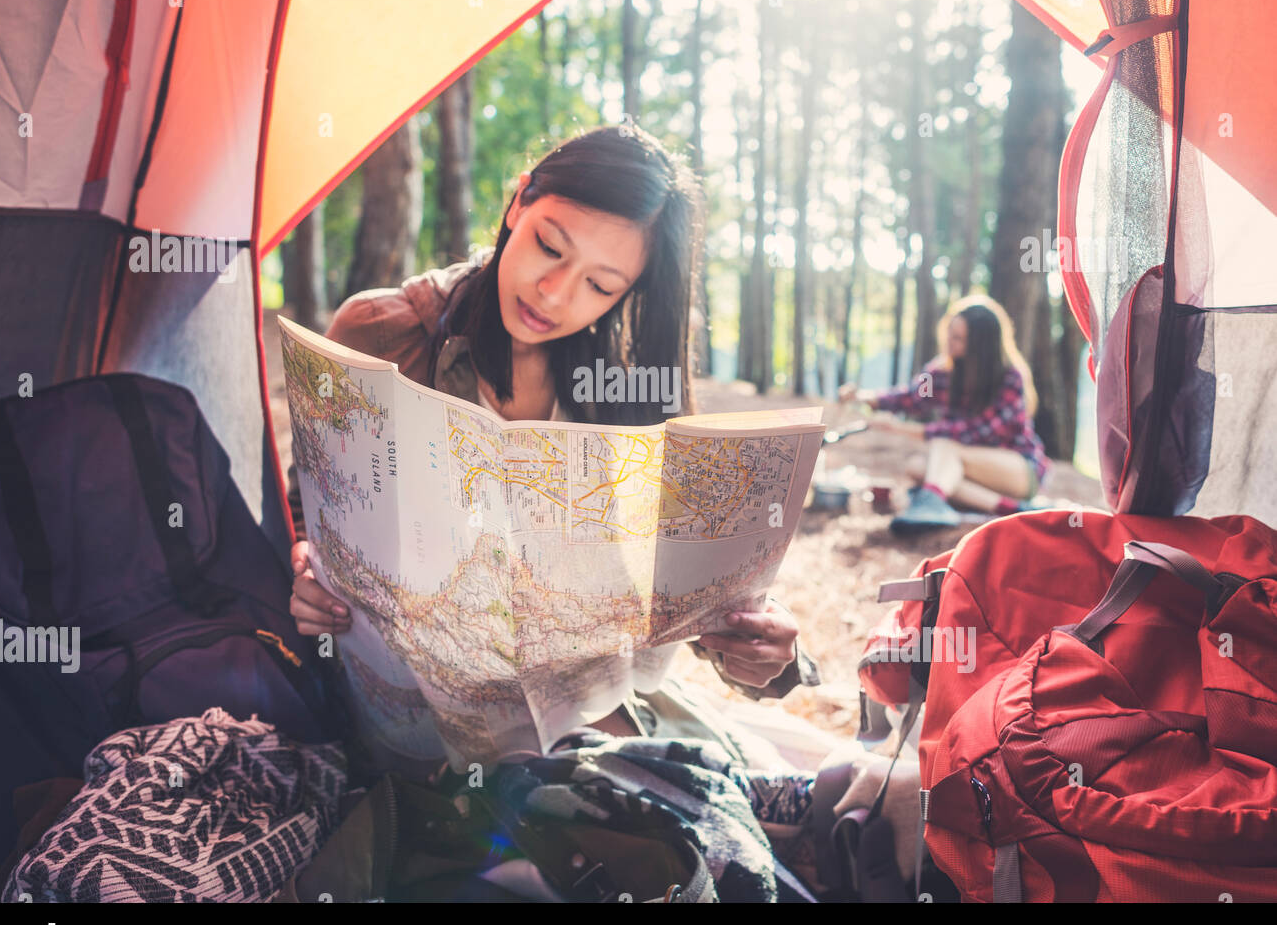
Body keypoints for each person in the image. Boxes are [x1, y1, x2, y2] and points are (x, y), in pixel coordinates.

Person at [287, 123, 821, 776]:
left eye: (601, 286)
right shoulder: (384, 332)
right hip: (423, 731)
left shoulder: (623, 389)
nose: (556, 293)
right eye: (549, 246)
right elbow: (310, 506)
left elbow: (674, 593)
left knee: (791, 791)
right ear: (519, 202)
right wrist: (306, 570)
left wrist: (761, 646)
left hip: (583, 711)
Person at [837, 295, 1049, 530]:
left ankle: (930, 501)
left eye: (958, 338)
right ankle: (1008, 508)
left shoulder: (1010, 378)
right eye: (949, 332)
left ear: (980, 346)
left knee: (943, 447)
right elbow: (911, 397)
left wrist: (902, 429)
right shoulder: (942, 371)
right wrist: (863, 397)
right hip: (963, 466)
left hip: (1017, 469)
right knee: (916, 467)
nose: (949, 342)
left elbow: (976, 432)